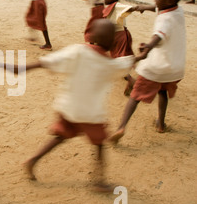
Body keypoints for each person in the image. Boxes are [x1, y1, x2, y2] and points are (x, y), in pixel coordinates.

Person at [15, 19, 141, 192]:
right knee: (99, 145)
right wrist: (142, 55)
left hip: (68, 108)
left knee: (59, 137)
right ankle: (99, 181)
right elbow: (125, 64)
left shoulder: (78, 51)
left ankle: (33, 160)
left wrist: (26, 67)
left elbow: (51, 61)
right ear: (112, 44)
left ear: (91, 36)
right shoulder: (108, 64)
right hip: (90, 114)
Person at [110, 0, 186, 144]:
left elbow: (158, 36)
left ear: (169, 0)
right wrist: (142, 8)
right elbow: (159, 8)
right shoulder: (177, 10)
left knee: (135, 96)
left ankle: (121, 127)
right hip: (173, 67)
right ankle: (160, 123)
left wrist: (146, 49)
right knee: (162, 91)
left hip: (157, 66)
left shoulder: (164, 19)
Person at [102, 0, 137, 95]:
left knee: (119, 59)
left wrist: (144, 8)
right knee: (118, 57)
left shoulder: (117, 5)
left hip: (119, 35)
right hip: (115, 35)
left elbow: (130, 8)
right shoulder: (112, 5)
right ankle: (126, 76)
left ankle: (130, 80)